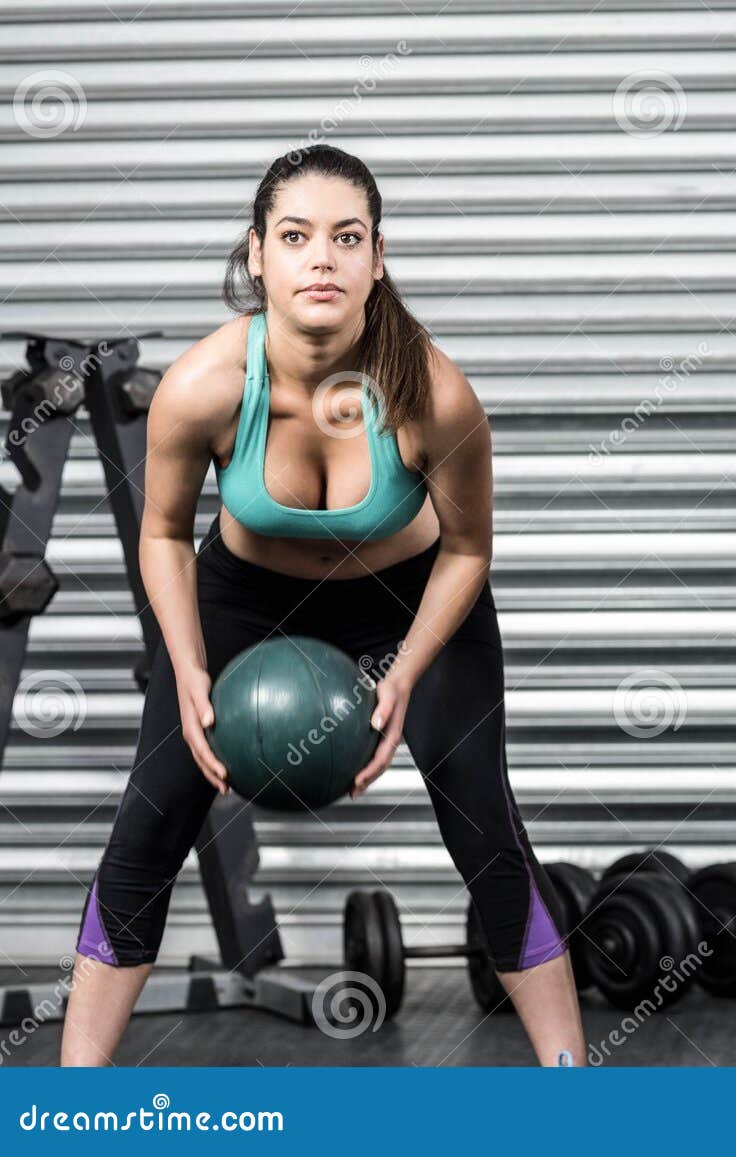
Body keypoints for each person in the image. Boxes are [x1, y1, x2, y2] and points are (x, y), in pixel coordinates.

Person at [61, 145, 584, 1066]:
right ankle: (76, 1095)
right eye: (296, 236)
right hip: (242, 598)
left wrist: (405, 674)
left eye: (347, 238)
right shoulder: (206, 386)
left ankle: (570, 1085)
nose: (322, 259)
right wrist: (184, 663)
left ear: (378, 257)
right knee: (149, 820)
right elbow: (162, 536)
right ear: (256, 254)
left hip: (408, 598)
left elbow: (467, 548)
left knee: (486, 827)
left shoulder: (435, 393)